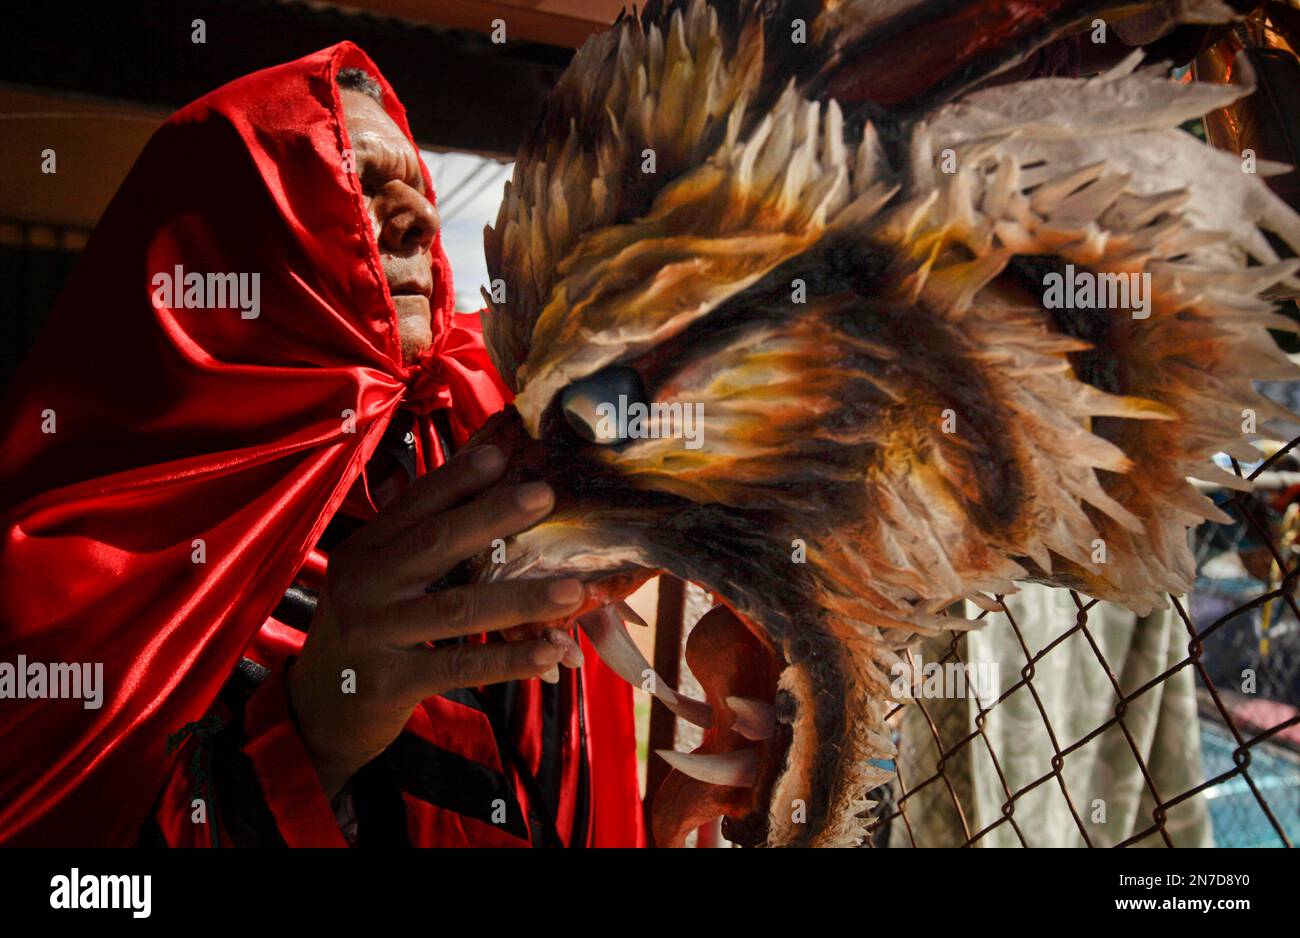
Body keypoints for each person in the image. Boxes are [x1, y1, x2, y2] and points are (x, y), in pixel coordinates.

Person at [0, 43, 643, 847]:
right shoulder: (67, 575)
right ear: (225, 251)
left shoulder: (484, 419)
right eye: (358, 183)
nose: (422, 217)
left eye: (418, 183)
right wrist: (313, 735)